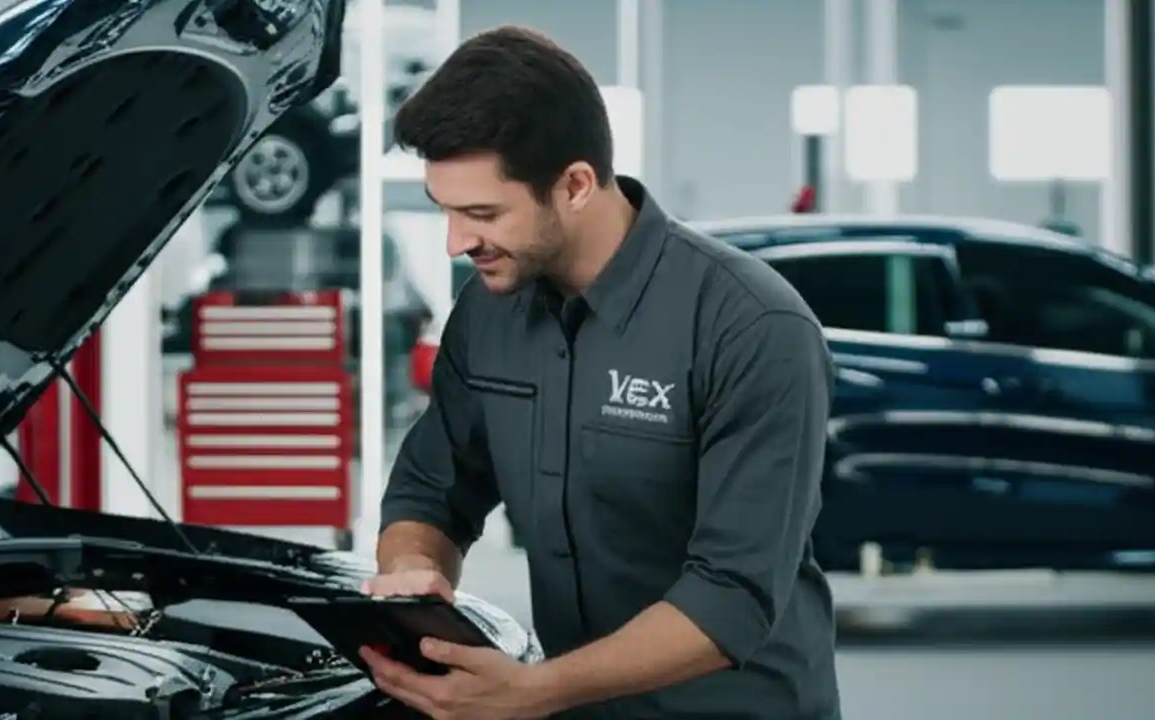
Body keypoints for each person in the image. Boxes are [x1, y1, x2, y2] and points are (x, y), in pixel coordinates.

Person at [359, 25, 840, 720]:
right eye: (447, 210)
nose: (457, 241)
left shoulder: (752, 327)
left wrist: (533, 692)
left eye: (482, 213)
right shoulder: (488, 313)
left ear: (576, 184)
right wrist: (412, 572)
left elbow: (731, 595)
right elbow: (432, 490)